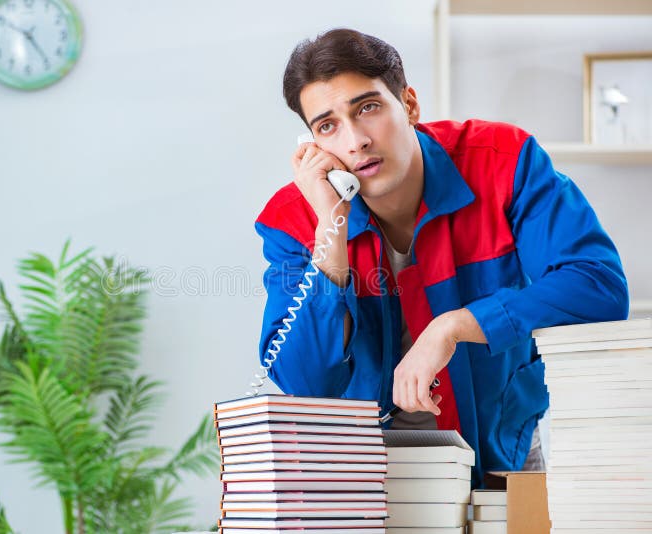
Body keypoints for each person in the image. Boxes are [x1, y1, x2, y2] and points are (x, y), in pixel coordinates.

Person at [254, 28, 629, 487]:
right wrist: (330, 233)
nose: (355, 142)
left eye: (367, 108)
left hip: (499, 450)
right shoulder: (293, 221)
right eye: (327, 125)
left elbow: (598, 286)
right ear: (311, 145)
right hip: (365, 476)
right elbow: (305, 382)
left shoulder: (503, 161)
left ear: (408, 104)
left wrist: (453, 326)